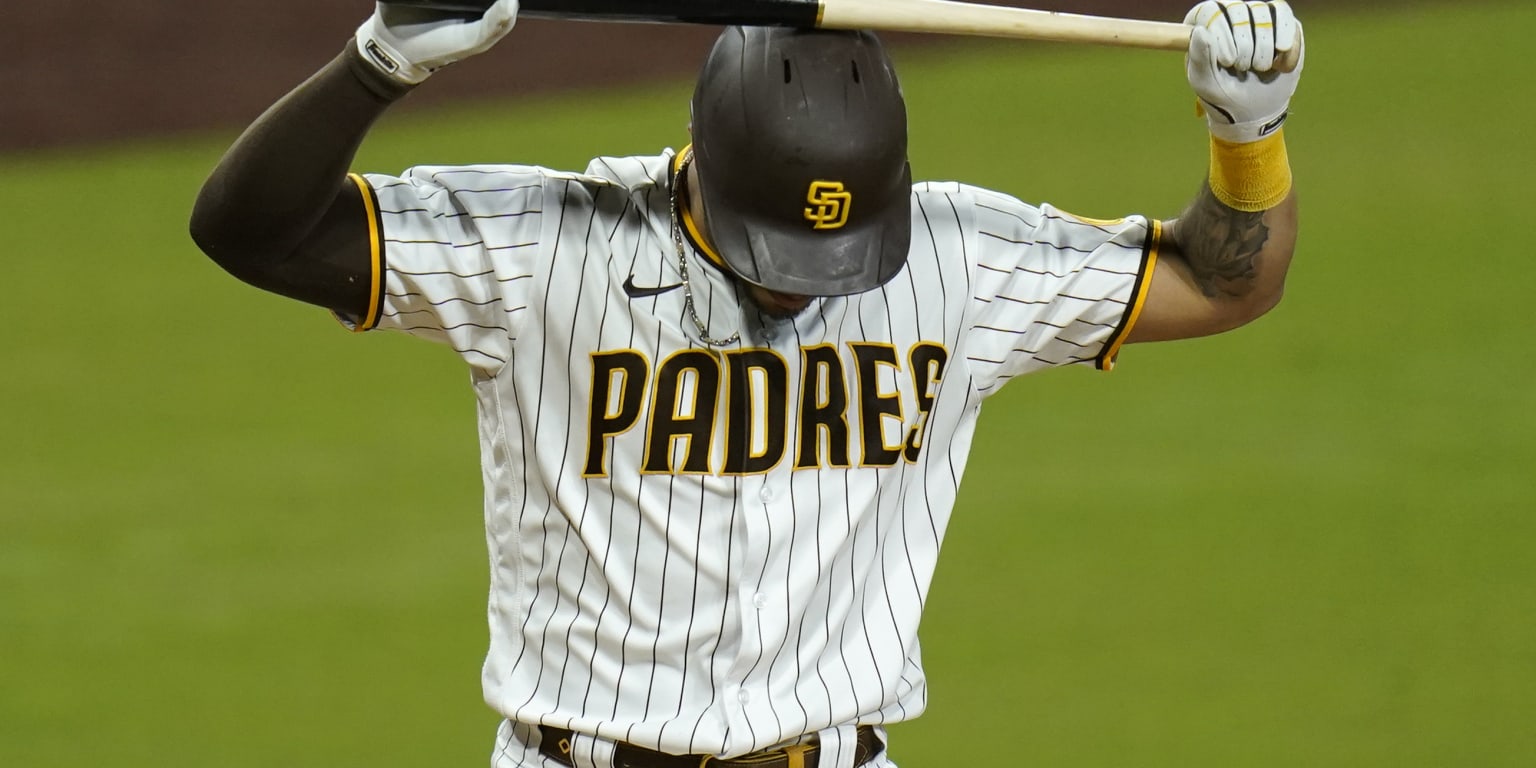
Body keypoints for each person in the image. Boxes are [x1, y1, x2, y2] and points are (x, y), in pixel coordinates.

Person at [190, 1, 1304, 765]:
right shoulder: (547, 252)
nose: (797, 289)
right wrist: (379, 63)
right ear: (701, 172)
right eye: (769, 254)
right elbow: (252, 232)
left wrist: (1246, 133)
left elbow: (1221, 283)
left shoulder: (961, 262)